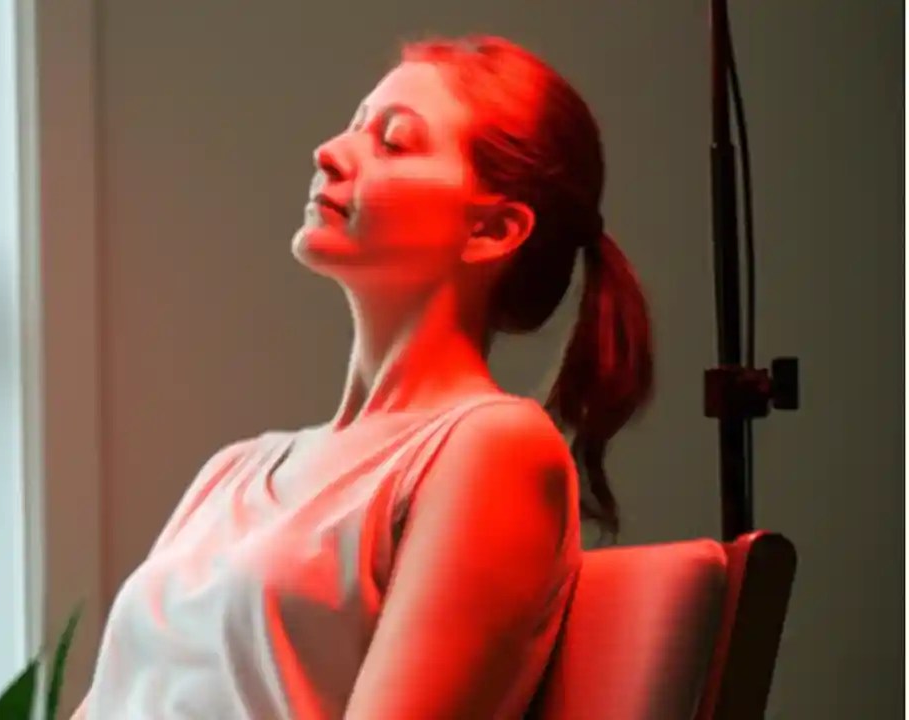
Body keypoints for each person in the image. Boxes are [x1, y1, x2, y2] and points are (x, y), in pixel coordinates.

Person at [72, 34, 653, 719]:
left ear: (492, 230)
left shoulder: (493, 447)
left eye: (393, 141)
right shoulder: (231, 470)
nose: (329, 152)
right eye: (352, 125)